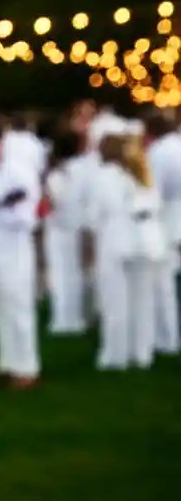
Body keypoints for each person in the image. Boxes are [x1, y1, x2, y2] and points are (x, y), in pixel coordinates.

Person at [0, 118, 42, 388]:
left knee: (18, 305)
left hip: (14, 246)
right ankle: (6, 362)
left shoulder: (18, 171)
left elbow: (25, 214)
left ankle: (27, 367)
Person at [92, 136, 166, 370]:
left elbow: (97, 212)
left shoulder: (105, 176)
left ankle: (116, 355)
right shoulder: (143, 174)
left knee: (115, 302)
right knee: (142, 300)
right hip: (145, 243)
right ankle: (142, 352)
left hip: (116, 241)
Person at [143, 113, 181, 355]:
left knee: (164, 286)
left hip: (169, 222)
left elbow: (154, 190)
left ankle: (167, 338)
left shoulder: (158, 152)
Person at [43, 133, 87, 335]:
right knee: (76, 273)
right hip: (78, 226)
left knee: (59, 274)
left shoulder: (55, 175)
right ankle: (77, 316)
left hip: (58, 229)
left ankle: (62, 318)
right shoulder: (83, 169)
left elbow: (51, 204)